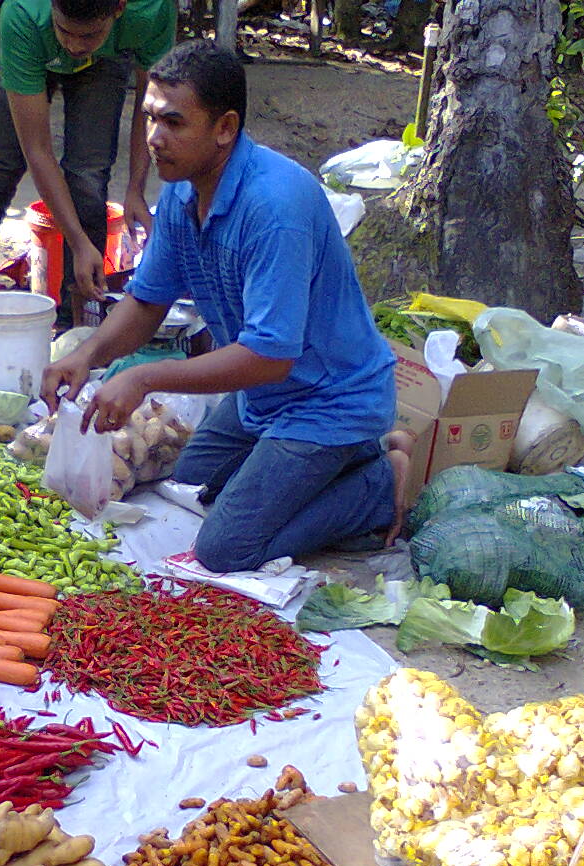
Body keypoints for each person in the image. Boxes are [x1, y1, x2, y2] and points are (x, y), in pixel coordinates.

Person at [43, 40, 409, 573]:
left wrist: (145, 379)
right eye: (149, 118)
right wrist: (89, 354)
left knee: (225, 548)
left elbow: (270, 356)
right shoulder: (182, 193)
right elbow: (146, 303)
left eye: (173, 122)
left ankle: (378, 484)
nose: (154, 138)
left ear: (224, 128)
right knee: (187, 479)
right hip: (263, 397)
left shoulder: (275, 206)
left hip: (328, 400)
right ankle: (339, 463)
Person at [0, 0, 176, 329]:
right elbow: (38, 150)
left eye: (88, 35)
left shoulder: (151, 9)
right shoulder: (23, 13)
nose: (74, 46)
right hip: (32, 42)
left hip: (105, 62)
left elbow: (153, 105)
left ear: (118, 9)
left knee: (88, 178)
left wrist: (135, 189)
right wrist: (75, 239)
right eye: (65, 31)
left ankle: (77, 314)